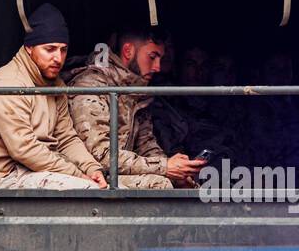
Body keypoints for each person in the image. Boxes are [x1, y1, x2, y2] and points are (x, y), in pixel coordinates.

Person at [0, 3, 108, 191]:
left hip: (41, 172)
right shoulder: (7, 84)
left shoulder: (56, 85)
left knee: (118, 192)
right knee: (88, 191)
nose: (58, 58)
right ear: (29, 48)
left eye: (63, 49)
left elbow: (66, 138)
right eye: (49, 49)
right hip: (3, 179)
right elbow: (24, 149)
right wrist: (77, 175)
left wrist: (92, 169)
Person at [65, 27, 206, 189]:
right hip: (91, 174)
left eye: (160, 58)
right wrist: (164, 167)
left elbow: (147, 145)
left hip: (119, 172)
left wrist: (174, 171)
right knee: (160, 185)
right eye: (152, 57)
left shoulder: (136, 91)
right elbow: (100, 156)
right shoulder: (91, 86)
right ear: (128, 51)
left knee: (183, 186)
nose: (157, 67)